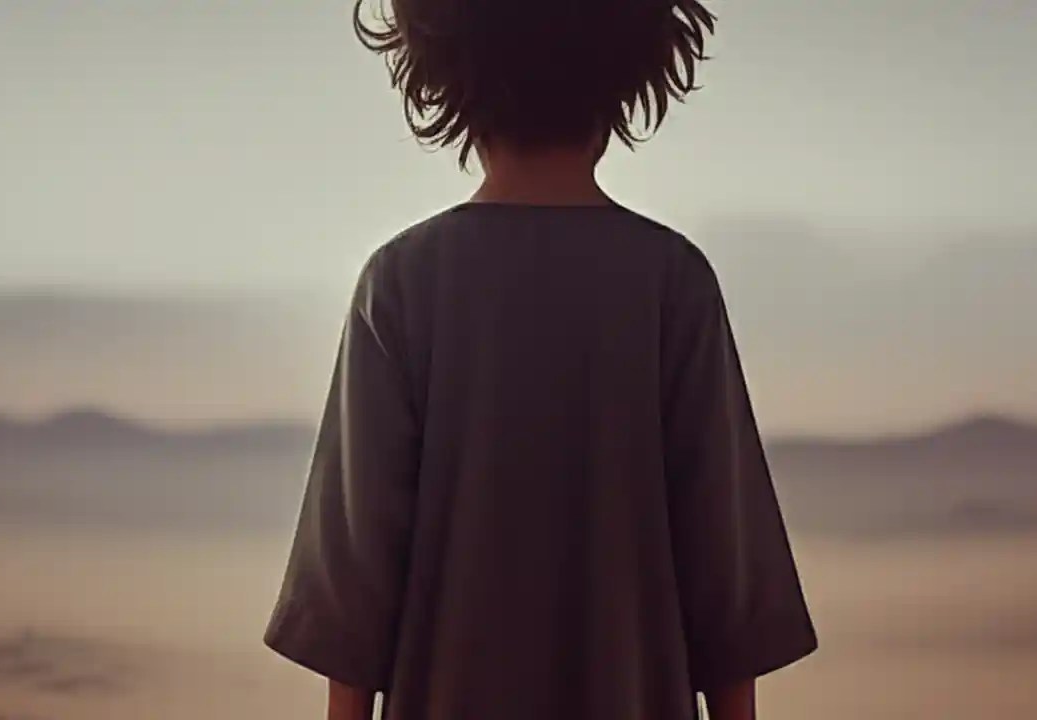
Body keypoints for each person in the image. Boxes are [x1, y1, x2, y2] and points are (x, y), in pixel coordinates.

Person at [263, 0, 818, 717]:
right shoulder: (671, 282)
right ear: (627, 72)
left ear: (446, 74)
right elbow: (727, 587)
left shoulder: (401, 284)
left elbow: (353, 595)